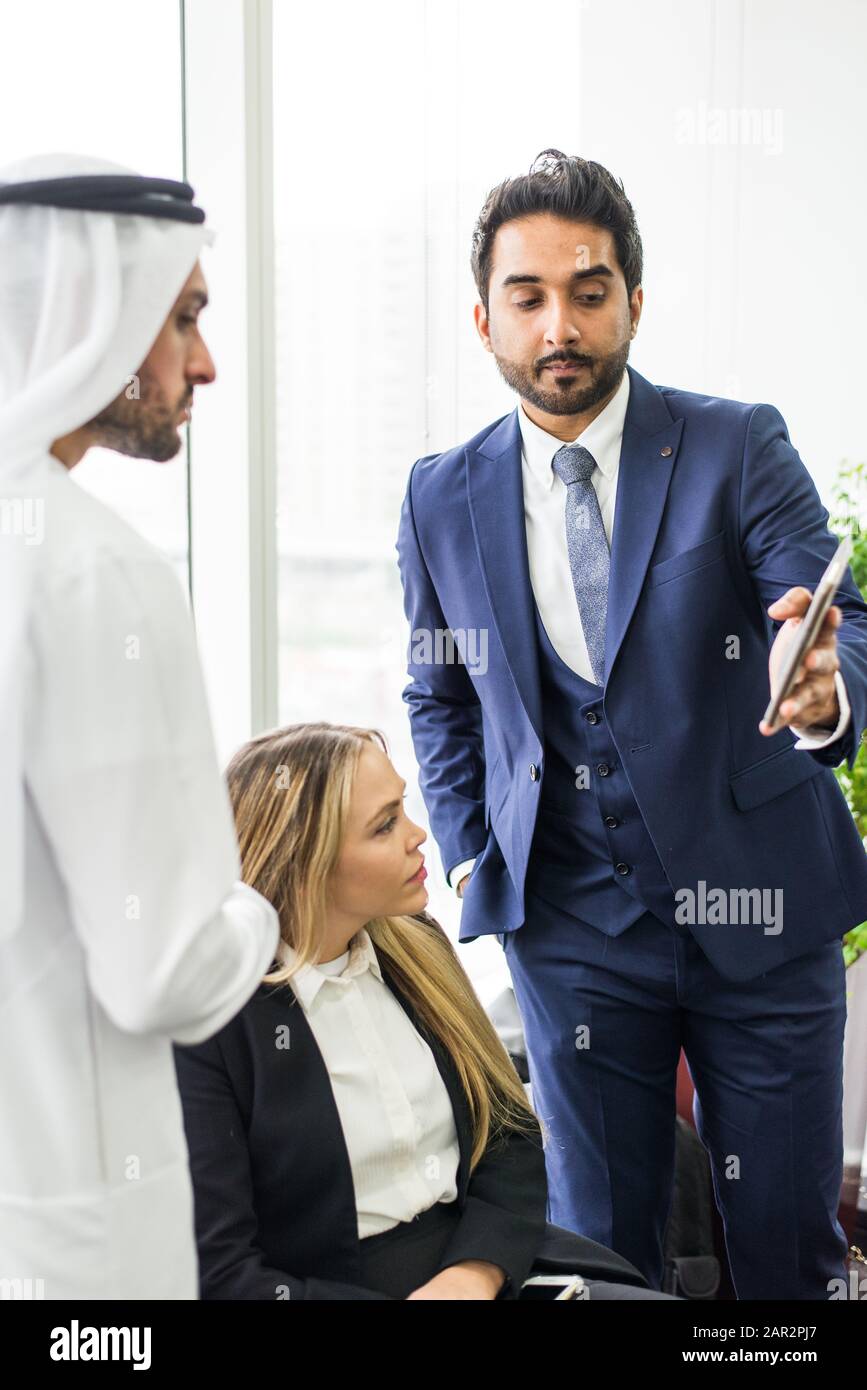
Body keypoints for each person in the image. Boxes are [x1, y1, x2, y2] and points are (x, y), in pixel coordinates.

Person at [395, 148, 867, 1299]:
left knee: (786, 1253)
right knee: (597, 1251)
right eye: (530, 296)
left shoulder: (735, 443)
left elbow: (834, 614)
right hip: (572, 927)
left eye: (591, 291)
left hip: (760, 908)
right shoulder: (438, 493)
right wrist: (472, 850)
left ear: (634, 303)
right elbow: (437, 689)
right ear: (484, 317)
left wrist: (824, 687)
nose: (562, 324)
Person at [0, 153, 279, 1299]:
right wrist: (261, 905)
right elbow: (164, 971)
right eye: (183, 320)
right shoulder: (95, 571)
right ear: (88, 313)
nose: (203, 364)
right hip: (78, 1240)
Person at [173, 722, 679, 1300]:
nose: (419, 836)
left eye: (404, 810)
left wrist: (475, 1273)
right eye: (385, 825)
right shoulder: (213, 1026)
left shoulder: (416, 946)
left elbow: (509, 1138)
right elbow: (223, 1275)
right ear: (307, 861)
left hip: (492, 1266)